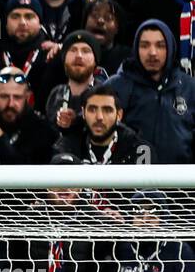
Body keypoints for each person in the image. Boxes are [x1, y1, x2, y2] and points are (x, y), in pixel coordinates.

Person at [108, 20, 195, 164]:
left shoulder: (189, 87)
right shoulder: (117, 85)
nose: (152, 53)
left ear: (170, 48)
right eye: (145, 45)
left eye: (160, 46)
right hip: (128, 182)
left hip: (182, 182)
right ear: (136, 48)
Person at [53, 86, 149, 164]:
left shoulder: (139, 150)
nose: (99, 117)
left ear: (119, 115)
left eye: (107, 110)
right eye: (92, 109)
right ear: (83, 113)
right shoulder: (67, 146)